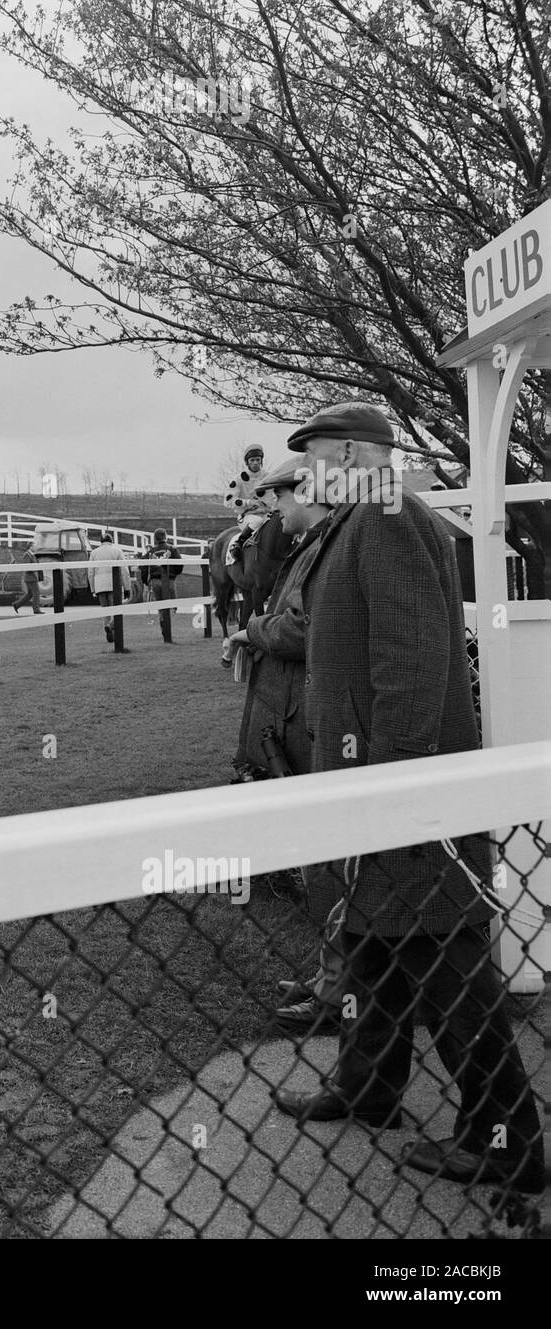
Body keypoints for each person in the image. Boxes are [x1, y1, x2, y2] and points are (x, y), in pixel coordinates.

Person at [271, 401, 543, 1194]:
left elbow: (414, 660)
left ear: (356, 454)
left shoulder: (384, 516)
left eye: (317, 456)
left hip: (400, 785)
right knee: (371, 941)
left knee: (446, 962)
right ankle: (370, 1084)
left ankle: (505, 1140)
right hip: (375, 780)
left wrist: (398, 781)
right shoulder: (365, 515)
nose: (306, 473)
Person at [222, 455, 339, 1034]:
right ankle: (329, 980)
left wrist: (250, 631)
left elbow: (300, 627)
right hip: (293, 707)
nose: (272, 509)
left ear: (308, 493)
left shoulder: (323, 548)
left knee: (334, 863)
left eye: (281, 498)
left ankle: (338, 991)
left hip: (311, 713)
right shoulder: (303, 544)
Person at [224, 445, 268, 564]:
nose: (255, 463)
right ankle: (238, 543)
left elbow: (274, 497)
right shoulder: (238, 479)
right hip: (247, 517)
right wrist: (248, 502)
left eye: (258, 460)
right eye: (252, 460)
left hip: (266, 515)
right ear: (247, 462)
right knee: (257, 522)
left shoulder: (268, 477)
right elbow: (228, 501)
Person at [88, 532, 131, 642]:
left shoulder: (94, 553)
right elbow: (124, 570)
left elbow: (90, 572)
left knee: (105, 611)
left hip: (100, 586)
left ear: (101, 542)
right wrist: (127, 587)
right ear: (111, 541)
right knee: (116, 610)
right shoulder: (117, 551)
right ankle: (111, 626)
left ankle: (109, 629)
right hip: (114, 585)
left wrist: (93, 588)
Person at [140, 529, 182, 643]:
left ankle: (164, 628)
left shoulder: (150, 552)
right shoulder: (172, 549)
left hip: (155, 581)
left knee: (161, 608)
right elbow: (179, 564)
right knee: (173, 606)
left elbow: (143, 567)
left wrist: (145, 581)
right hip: (169, 580)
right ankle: (169, 633)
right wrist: (174, 575)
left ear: (155, 538)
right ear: (166, 537)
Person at [12, 549, 44, 614]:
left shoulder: (32, 554)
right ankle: (36, 609)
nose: (35, 546)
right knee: (36, 593)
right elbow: (27, 567)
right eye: (33, 545)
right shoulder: (27, 555)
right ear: (30, 546)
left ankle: (17, 605)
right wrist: (35, 569)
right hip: (30, 578)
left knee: (30, 594)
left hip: (32, 577)